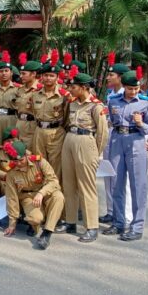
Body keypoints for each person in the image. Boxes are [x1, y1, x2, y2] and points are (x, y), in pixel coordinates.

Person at [56, 70, 108, 243]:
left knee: (86, 186)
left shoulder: (96, 106)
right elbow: (65, 122)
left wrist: (95, 154)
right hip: (70, 139)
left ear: (84, 88)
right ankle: (70, 221)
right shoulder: (72, 103)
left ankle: (91, 226)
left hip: (86, 141)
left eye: (74, 87)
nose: (70, 89)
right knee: (68, 184)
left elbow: (102, 133)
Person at [104, 68, 148, 241]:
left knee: (137, 185)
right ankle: (119, 223)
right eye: (130, 88)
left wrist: (141, 124)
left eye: (136, 88)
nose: (133, 91)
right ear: (124, 86)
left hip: (136, 141)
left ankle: (137, 226)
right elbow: (112, 121)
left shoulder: (146, 103)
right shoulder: (113, 101)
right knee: (116, 183)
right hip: (118, 140)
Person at [1, 141, 65, 251]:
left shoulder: (39, 162)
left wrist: (41, 193)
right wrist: (12, 223)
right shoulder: (11, 171)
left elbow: (54, 181)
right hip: (28, 197)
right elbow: (12, 197)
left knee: (59, 196)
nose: (19, 164)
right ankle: (36, 220)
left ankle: (47, 233)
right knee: (35, 219)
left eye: (21, 160)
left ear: (26, 155)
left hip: (44, 192)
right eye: (15, 161)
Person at [100, 54, 132, 225]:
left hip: (123, 137)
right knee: (108, 174)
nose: (108, 77)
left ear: (120, 77)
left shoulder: (129, 92)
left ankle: (125, 217)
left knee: (121, 178)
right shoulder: (111, 94)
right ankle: (111, 211)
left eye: (111, 75)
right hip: (109, 135)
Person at [31, 51, 68, 180]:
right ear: (41, 77)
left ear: (57, 77)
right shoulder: (35, 94)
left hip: (56, 133)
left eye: (52, 76)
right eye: (46, 75)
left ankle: (56, 195)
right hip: (39, 131)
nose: (48, 78)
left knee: (55, 165)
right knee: (39, 163)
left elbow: (67, 116)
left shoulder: (64, 95)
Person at [15, 54, 42, 146]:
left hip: (31, 126)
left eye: (24, 73)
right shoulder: (20, 89)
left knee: (31, 153)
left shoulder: (40, 90)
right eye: (20, 73)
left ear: (33, 74)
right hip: (19, 124)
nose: (21, 76)